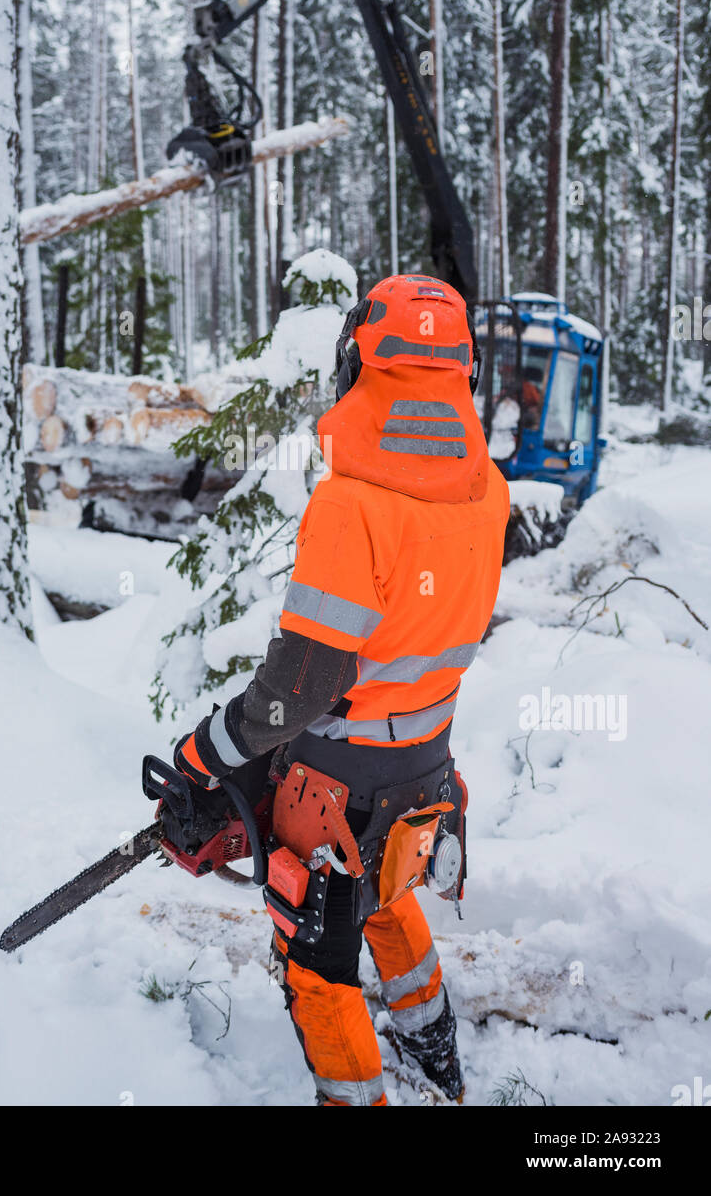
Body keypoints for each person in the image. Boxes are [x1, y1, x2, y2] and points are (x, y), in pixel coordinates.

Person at [172, 274, 510, 1106]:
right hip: (424, 767)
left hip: (334, 785)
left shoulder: (350, 504)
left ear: (357, 365)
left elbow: (299, 691)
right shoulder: (486, 491)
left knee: (317, 964)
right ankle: (437, 1056)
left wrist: (200, 755)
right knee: (388, 898)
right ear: (461, 373)